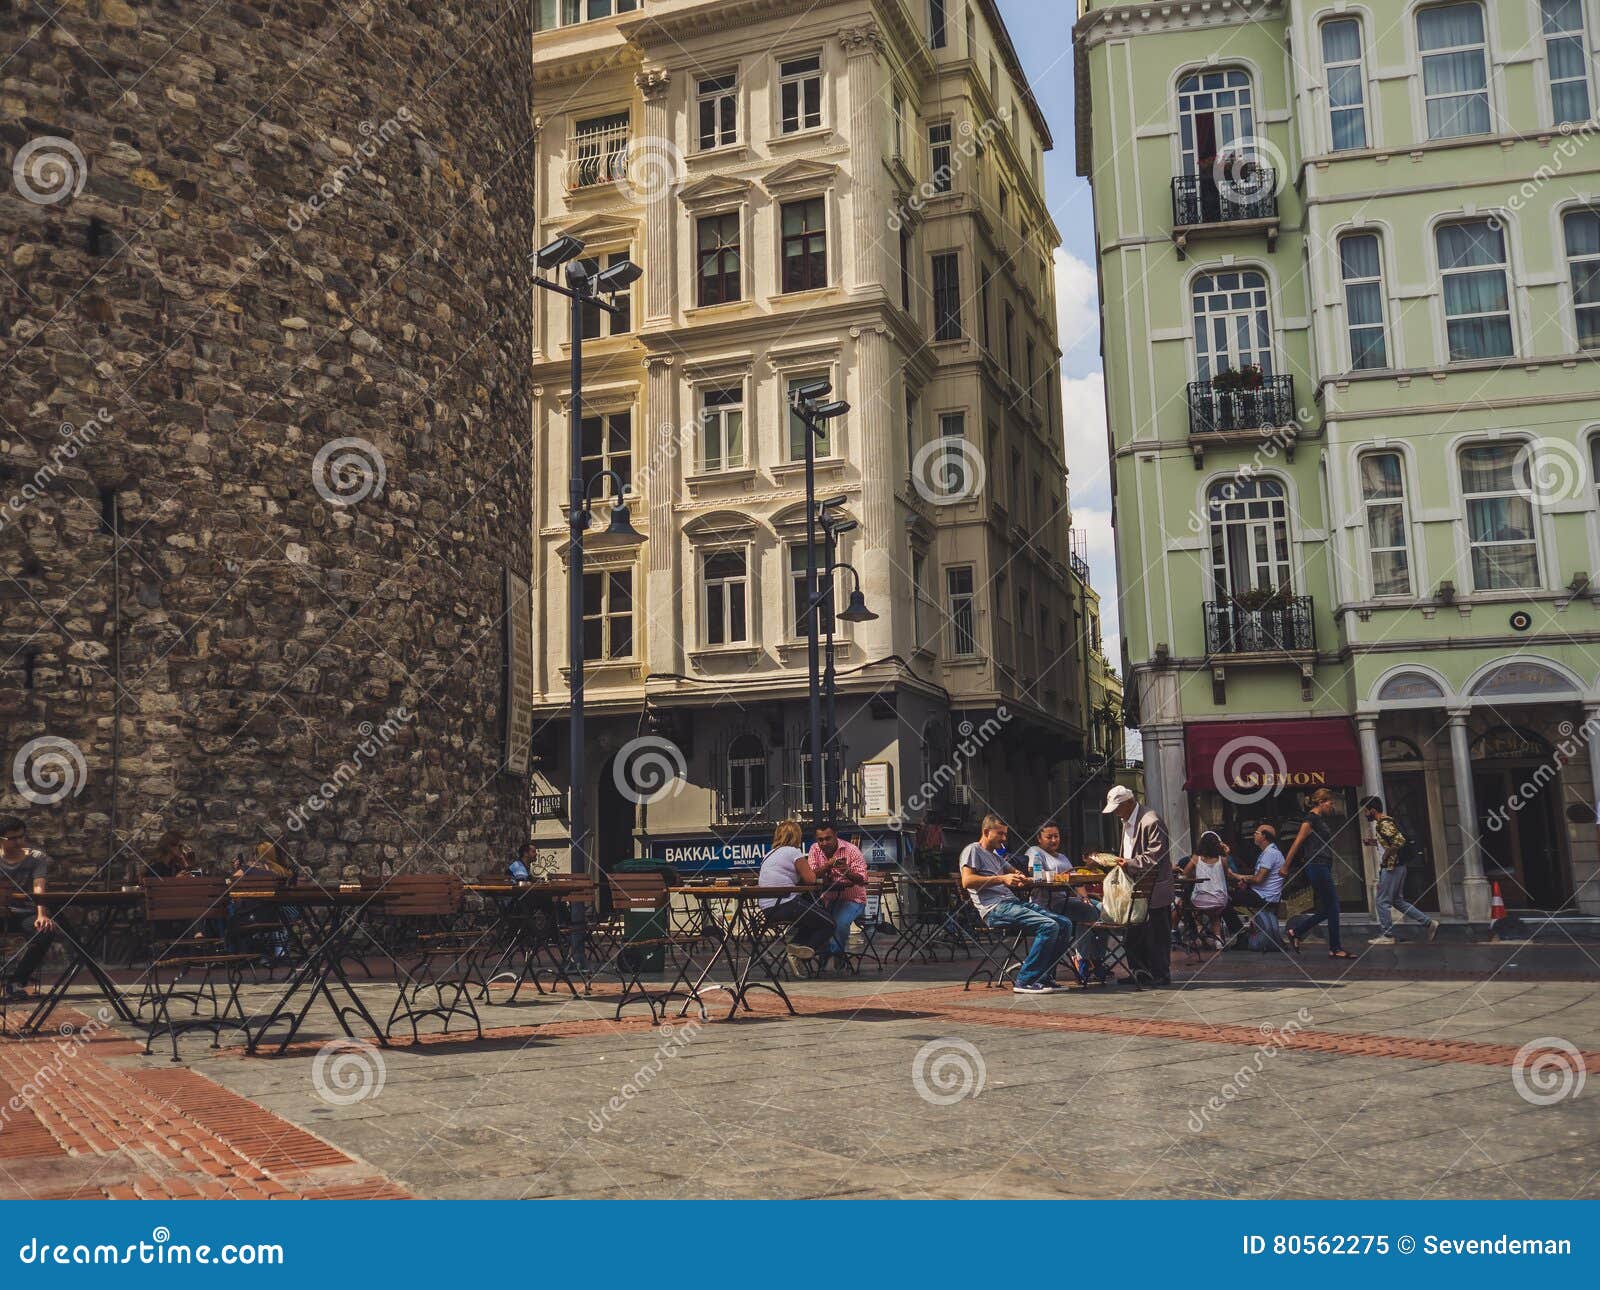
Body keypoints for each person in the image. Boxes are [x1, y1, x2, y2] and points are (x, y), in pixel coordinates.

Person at [959, 814, 1075, 994]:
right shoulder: (973, 850)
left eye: (1005, 834)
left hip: (1013, 903)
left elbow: (1015, 873)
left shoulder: (996, 857)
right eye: (1000, 834)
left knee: (1064, 924)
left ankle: (1045, 977)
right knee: (1049, 926)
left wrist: (1020, 879)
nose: (1004, 838)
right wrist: (1002, 879)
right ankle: (1025, 980)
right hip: (994, 909)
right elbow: (967, 881)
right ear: (986, 832)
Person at [1103, 785, 1174, 985]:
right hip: (1135, 887)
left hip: (1154, 888)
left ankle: (1160, 974)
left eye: (1117, 808)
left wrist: (1130, 863)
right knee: (1135, 932)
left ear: (1128, 803)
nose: (1116, 812)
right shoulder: (1127, 820)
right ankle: (1139, 971)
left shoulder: (1151, 820)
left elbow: (1156, 855)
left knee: (1156, 933)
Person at [1025, 822, 1108, 983]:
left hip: (1065, 901)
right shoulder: (1035, 852)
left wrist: (1084, 897)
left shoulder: (1062, 857)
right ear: (1039, 838)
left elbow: (1077, 881)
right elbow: (1034, 875)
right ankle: (1083, 959)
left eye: (1056, 836)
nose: (1054, 840)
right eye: (1049, 837)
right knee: (1088, 911)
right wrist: (1059, 878)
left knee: (1104, 911)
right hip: (1045, 903)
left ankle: (1097, 958)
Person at [757, 820, 835, 974]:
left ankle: (796, 946)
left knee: (811, 921)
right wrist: (827, 867)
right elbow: (811, 880)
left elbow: (801, 878)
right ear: (796, 835)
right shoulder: (793, 852)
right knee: (829, 923)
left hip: (767, 909)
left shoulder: (769, 854)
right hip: (785, 903)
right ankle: (799, 954)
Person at [1362, 796, 1440, 945]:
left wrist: (1386, 855)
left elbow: (1399, 841)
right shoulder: (1388, 821)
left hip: (1392, 867)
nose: (1365, 814)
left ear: (1372, 810)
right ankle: (1429, 923)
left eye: (1365, 811)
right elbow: (1390, 840)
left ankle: (1387, 935)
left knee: (1381, 901)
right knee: (1397, 901)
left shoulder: (1382, 823)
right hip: (1398, 867)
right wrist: (1373, 843)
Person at [1284, 788, 1351, 958]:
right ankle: (1335, 948)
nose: (1332, 806)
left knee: (1329, 908)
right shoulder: (1310, 820)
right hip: (1316, 865)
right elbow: (1297, 843)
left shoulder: (1319, 819)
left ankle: (1297, 932)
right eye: (1330, 802)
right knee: (1333, 905)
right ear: (1321, 802)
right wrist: (1285, 866)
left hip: (1323, 864)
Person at [1, 816, 56, 1001]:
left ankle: (17, 980)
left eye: (21, 837)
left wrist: (41, 914)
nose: (18, 842)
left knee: (45, 931)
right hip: (2, 911)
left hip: (26, 911)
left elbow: (39, 887)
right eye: (12, 838)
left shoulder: (36, 858)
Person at [808, 823, 868, 973]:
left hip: (852, 899)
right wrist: (828, 866)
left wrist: (846, 871)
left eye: (828, 839)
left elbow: (862, 879)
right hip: (827, 899)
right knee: (812, 921)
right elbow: (811, 876)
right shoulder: (815, 849)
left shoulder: (851, 850)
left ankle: (834, 954)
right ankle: (826, 953)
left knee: (839, 924)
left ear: (836, 836)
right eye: (820, 840)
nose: (824, 843)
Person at [1231, 823, 1287, 951]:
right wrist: (1246, 881)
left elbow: (1258, 879)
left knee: (1224, 899)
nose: (1254, 835)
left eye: (1256, 833)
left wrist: (1238, 876)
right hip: (1264, 894)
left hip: (1263, 897)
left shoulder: (1270, 853)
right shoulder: (1271, 852)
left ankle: (1240, 935)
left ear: (1264, 837)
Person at [1180, 831, 1231, 950]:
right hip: (1219, 899)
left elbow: (1185, 873)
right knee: (1215, 915)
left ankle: (1199, 930)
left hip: (1200, 900)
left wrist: (1195, 874)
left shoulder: (1196, 858)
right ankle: (1218, 940)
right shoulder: (1222, 859)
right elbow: (1226, 875)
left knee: (1194, 908)